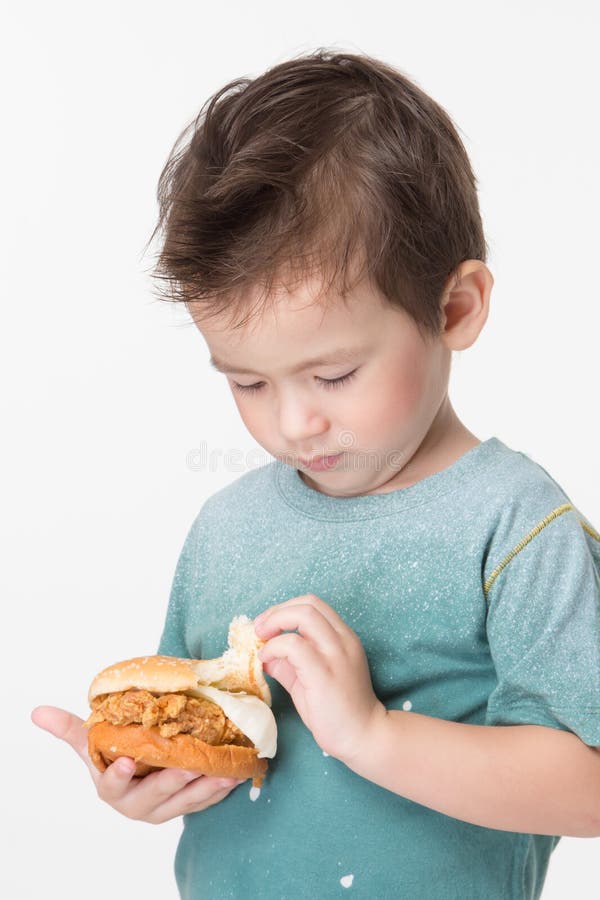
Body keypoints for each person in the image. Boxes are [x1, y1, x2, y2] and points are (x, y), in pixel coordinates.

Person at [32, 48, 600, 899]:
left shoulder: (516, 525)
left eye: (333, 376)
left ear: (455, 309)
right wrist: (141, 779)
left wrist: (371, 733)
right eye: (247, 382)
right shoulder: (226, 526)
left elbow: (589, 786)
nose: (293, 422)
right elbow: (202, 736)